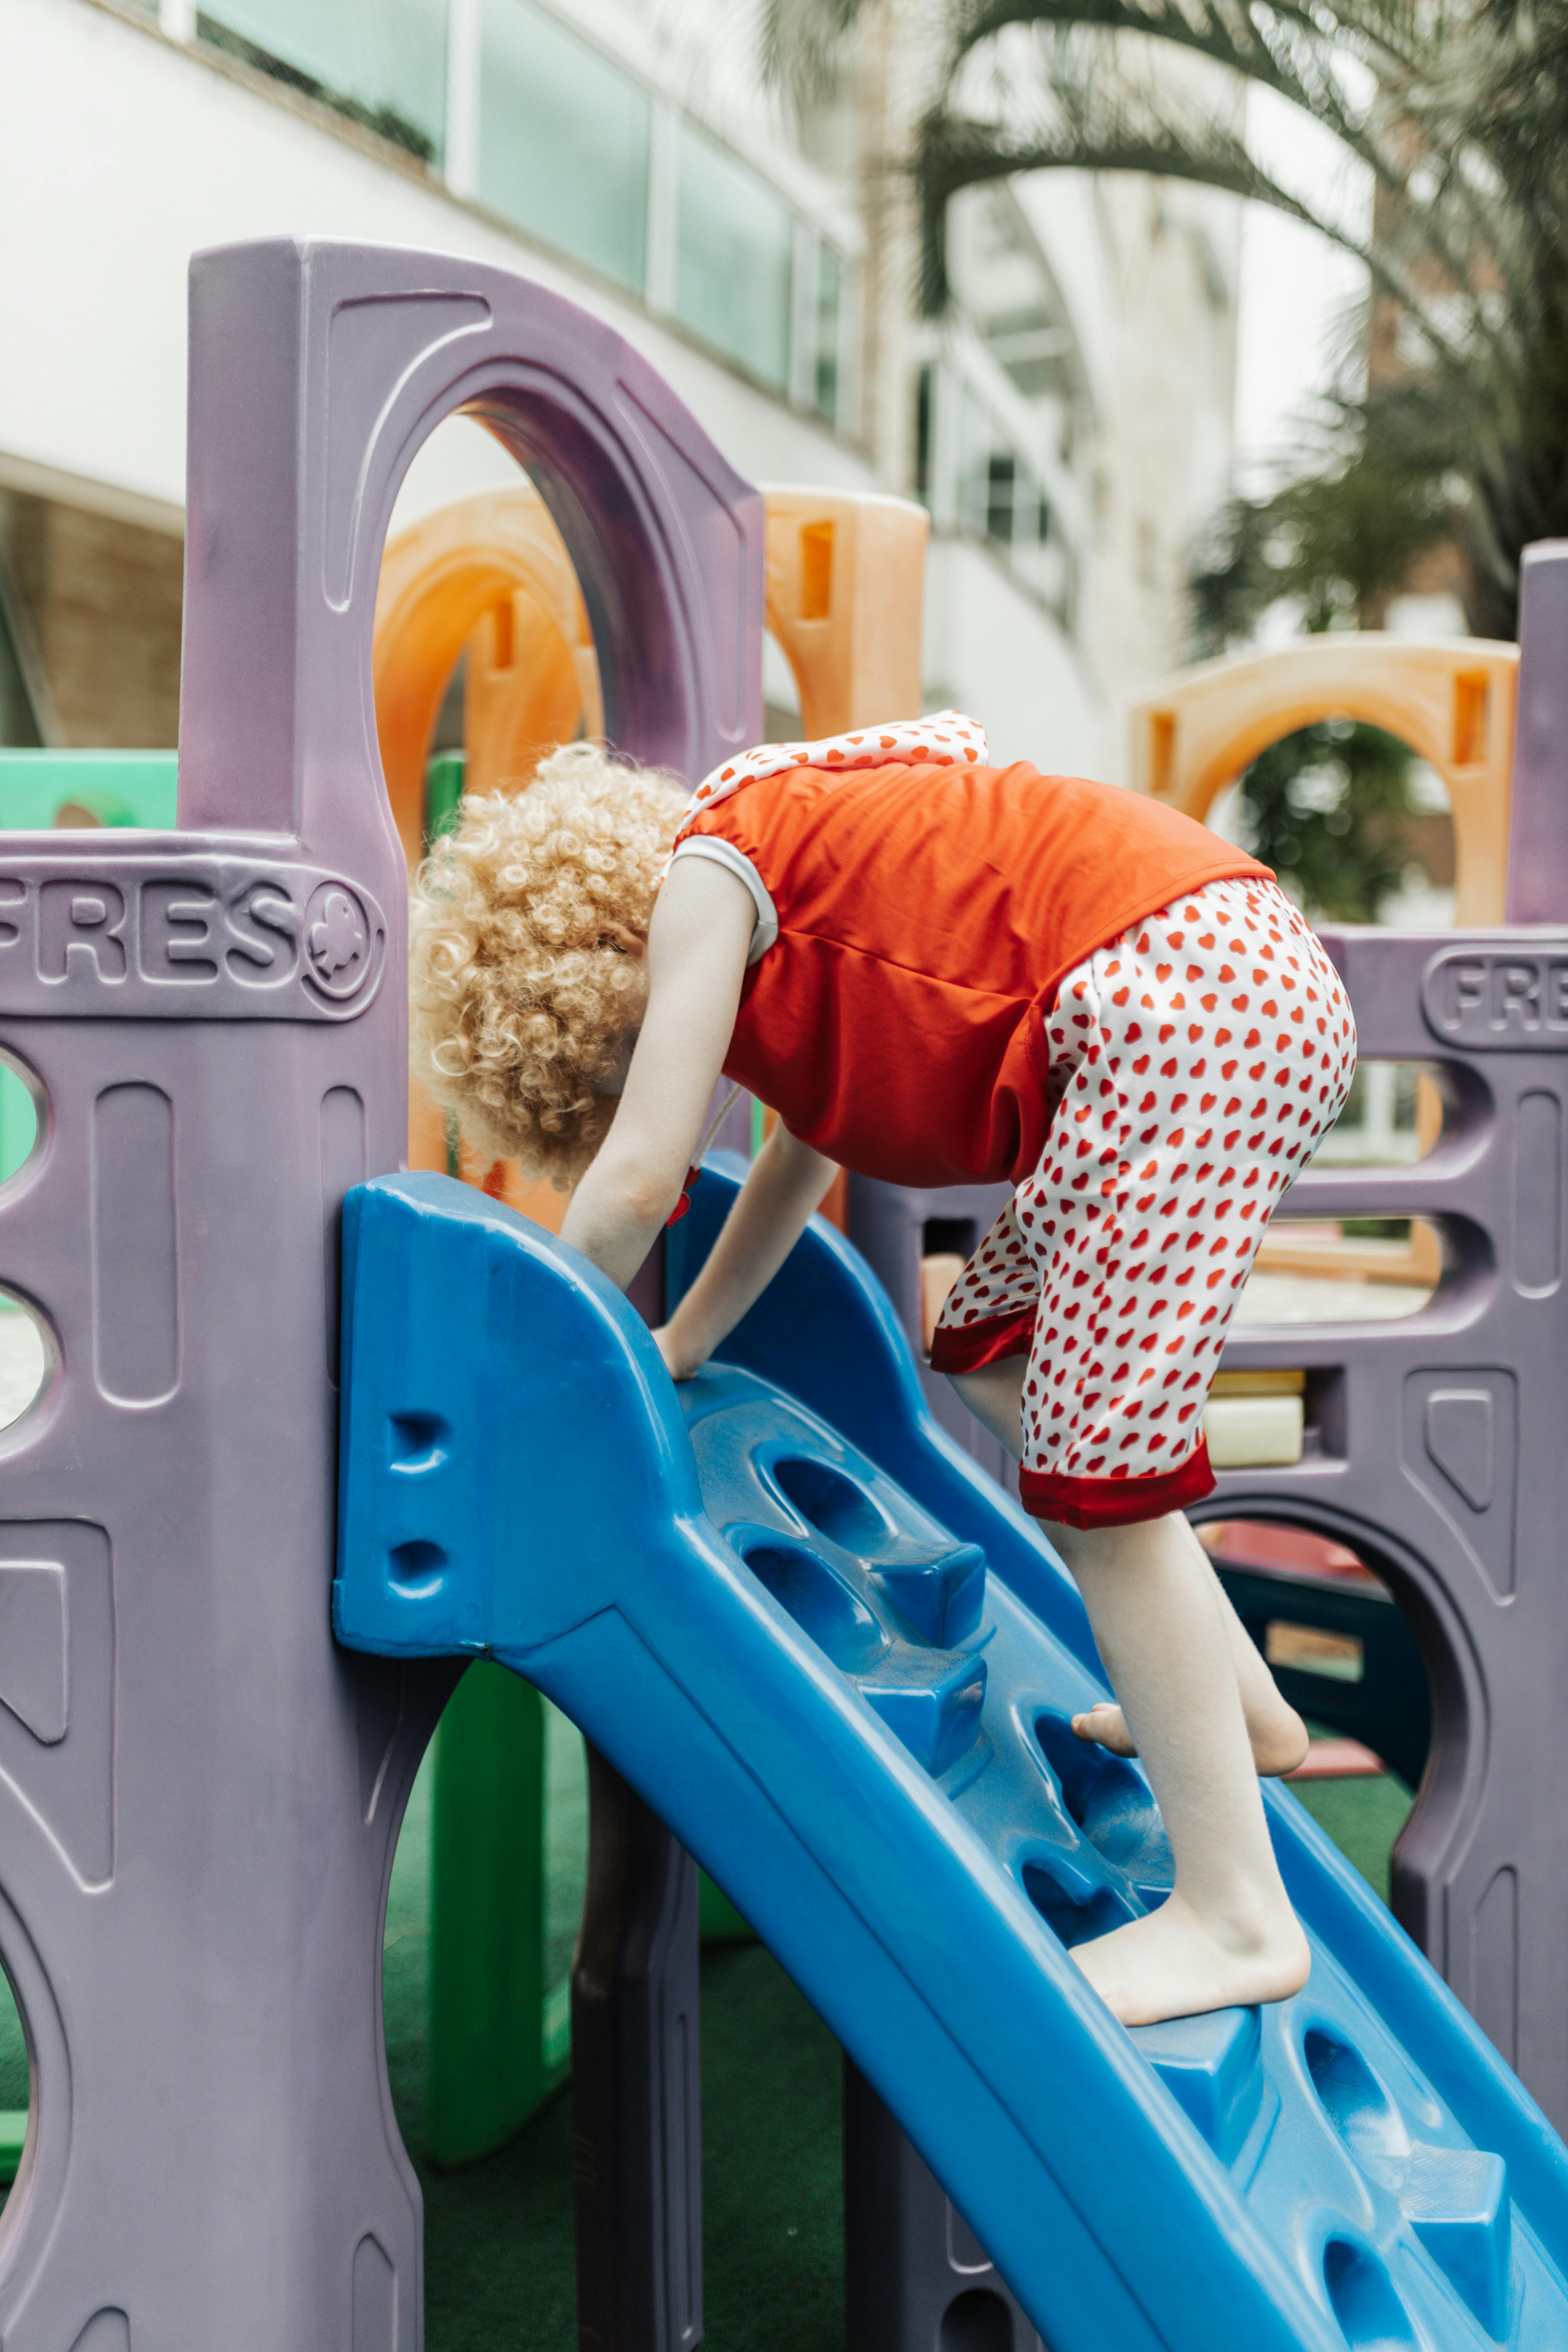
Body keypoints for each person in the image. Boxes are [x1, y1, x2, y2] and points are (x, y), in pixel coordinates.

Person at [409, 718, 1356, 2026]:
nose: (659, 1082)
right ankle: (1236, 1711)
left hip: (1176, 1011)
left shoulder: (706, 876)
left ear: (593, 967)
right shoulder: (806, 887)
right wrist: (678, 1343)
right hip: (1208, 984)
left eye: (622, 1065)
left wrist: (532, 1359)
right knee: (998, 1359)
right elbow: (800, 1165)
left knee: (1100, 1474)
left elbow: (638, 1176)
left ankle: (1236, 1918)